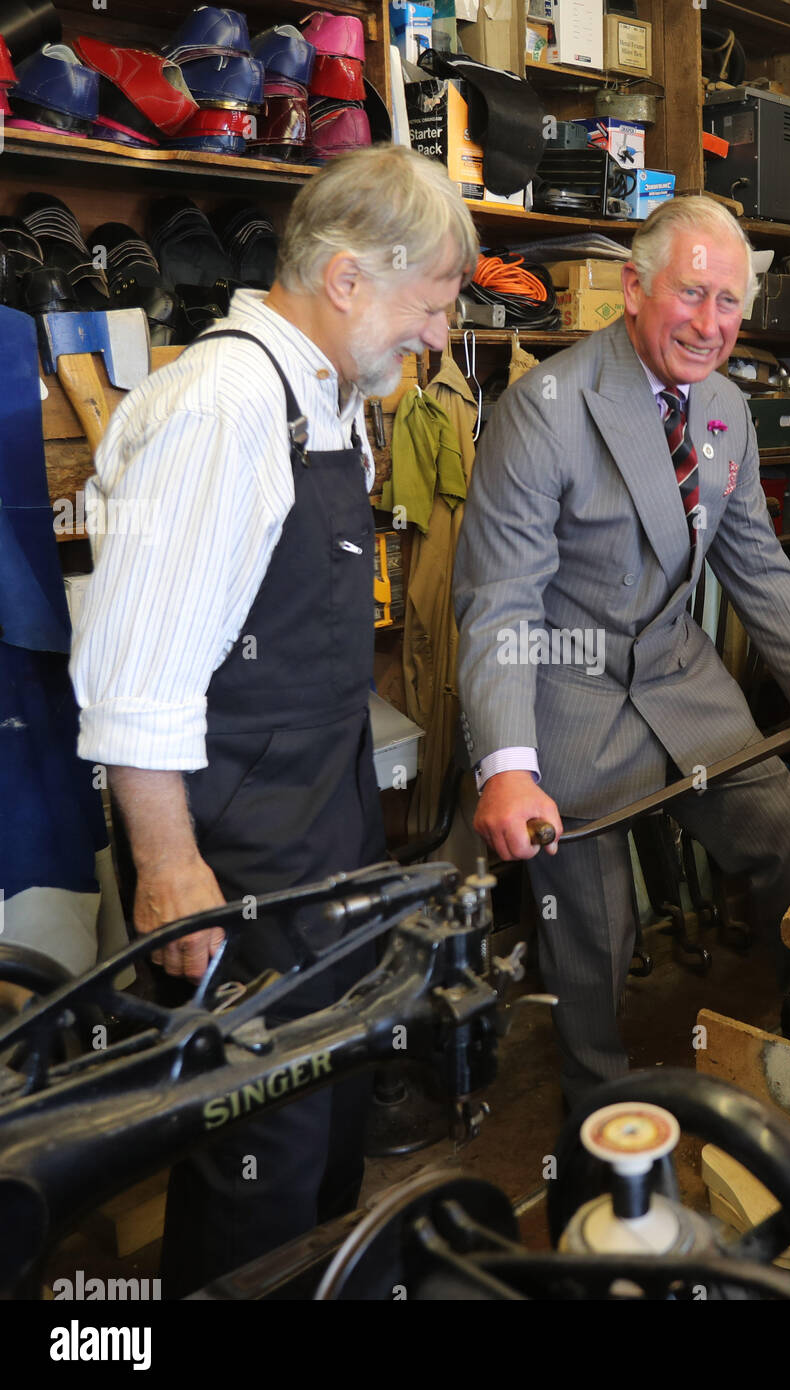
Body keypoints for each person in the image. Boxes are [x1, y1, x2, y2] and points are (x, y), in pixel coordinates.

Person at [70, 145, 477, 1295]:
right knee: (260, 1148)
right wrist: (168, 872)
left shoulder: (324, 396)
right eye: (432, 306)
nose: (439, 338)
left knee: (330, 1116)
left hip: (320, 820)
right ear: (349, 279)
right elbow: (136, 674)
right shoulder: (227, 407)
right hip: (236, 847)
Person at [453, 196, 790, 1109]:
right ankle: (598, 1107)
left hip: (677, 676)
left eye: (730, 303)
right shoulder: (541, 410)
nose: (711, 325)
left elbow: (756, 564)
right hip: (567, 689)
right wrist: (507, 769)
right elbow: (500, 601)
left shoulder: (725, 413)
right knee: (597, 932)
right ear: (632, 288)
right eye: (692, 294)